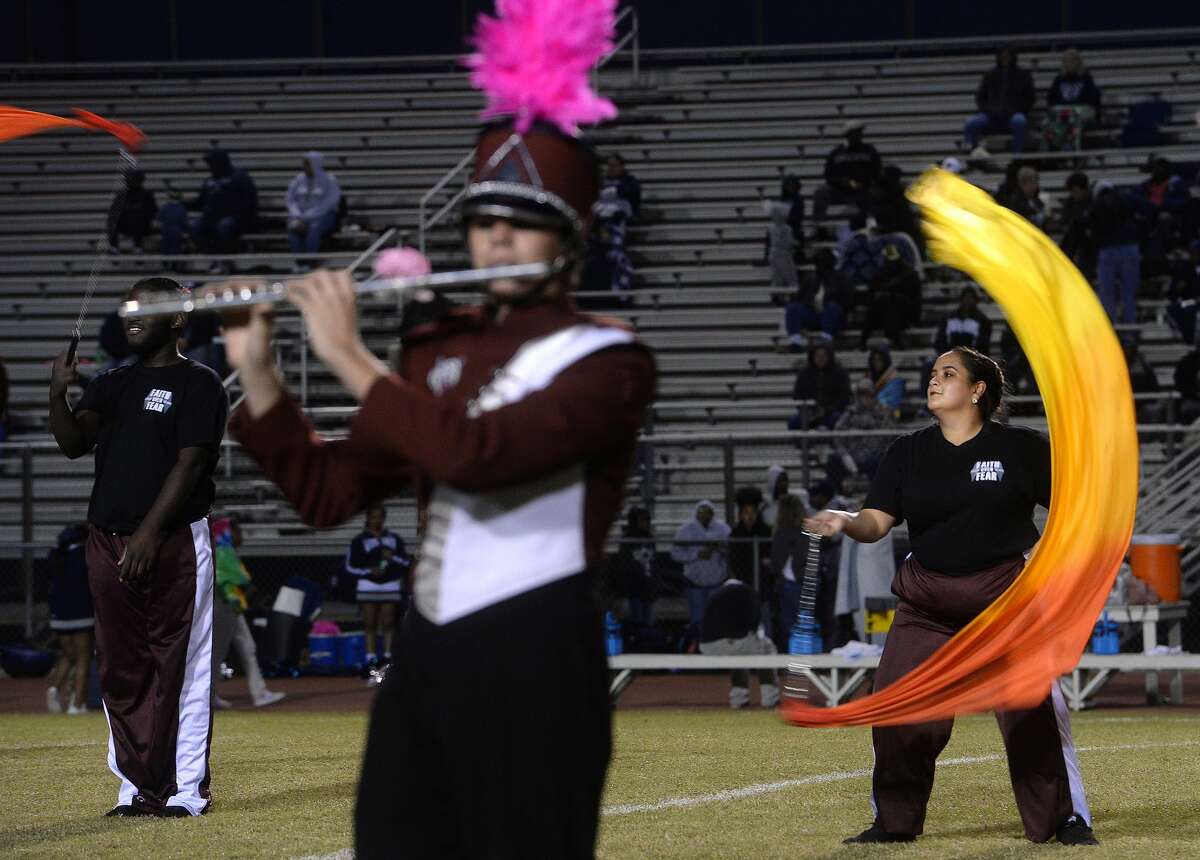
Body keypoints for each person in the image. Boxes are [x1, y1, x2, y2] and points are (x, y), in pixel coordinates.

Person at [221, 109, 656, 855]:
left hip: (539, 654)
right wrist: (258, 374)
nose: (497, 237)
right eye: (484, 218)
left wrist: (351, 358)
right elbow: (329, 494)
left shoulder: (608, 361)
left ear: (568, 245)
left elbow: (477, 456)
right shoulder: (435, 352)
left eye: (525, 222)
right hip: (427, 654)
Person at [804, 346, 1096, 846]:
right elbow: (876, 522)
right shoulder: (908, 451)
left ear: (978, 390)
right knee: (898, 710)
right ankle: (893, 823)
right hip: (926, 602)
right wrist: (844, 519)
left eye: (948, 373)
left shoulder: (1022, 448)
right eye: (933, 374)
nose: (933, 382)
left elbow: (1076, 510)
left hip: (1002, 601)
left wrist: (1053, 565)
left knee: (1033, 713)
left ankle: (1062, 820)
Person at [48, 276, 228, 817]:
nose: (131, 316)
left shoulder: (201, 384)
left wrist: (149, 532)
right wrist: (58, 392)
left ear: (177, 320)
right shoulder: (111, 382)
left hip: (171, 541)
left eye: (147, 309)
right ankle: (134, 789)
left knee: (183, 667)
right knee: (122, 668)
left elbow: (190, 461)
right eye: (128, 308)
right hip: (106, 540)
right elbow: (74, 443)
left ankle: (185, 790)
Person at [209, 516, 284, 710]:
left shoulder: (222, 550)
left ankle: (258, 693)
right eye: (237, 531)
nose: (240, 536)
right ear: (228, 532)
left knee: (246, 647)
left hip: (232, 606)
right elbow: (236, 579)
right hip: (223, 606)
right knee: (217, 653)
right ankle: (208, 698)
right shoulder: (223, 551)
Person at [344, 504, 412, 673]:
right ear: (368, 519)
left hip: (389, 585)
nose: (377, 520)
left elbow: (405, 562)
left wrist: (392, 557)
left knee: (388, 622)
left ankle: (388, 657)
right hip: (368, 585)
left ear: (384, 518)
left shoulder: (394, 539)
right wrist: (369, 570)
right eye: (373, 517)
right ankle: (371, 658)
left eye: (380, 517)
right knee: (370, 623)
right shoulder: (359, 540)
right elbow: (350, 566)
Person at [158, 149, 258, 264]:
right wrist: (181, 203)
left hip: (235, 217)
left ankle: (226, 262)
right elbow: (200, 202)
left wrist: (237, 215)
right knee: (195, 227)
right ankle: (214, 258)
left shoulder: (239, 177)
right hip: (211, 217)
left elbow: (250, 201)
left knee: (224, 225)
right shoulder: (209, 181)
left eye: (212, 162)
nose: (210, 165)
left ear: (221, 162)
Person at [699, 577, 780, 709]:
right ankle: (769, 699)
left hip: (707, 646)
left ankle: (739, 699)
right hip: (732, 642)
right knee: (767, 648)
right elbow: (754, 620)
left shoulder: (714, 595)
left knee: (740, 653)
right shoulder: (747, 592)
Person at [45, 523, 94, 715]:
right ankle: (77, 705)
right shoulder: (83, 553)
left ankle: (54, 688)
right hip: (81, 612)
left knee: (69, 655)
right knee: (83, 658)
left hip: (58, 613)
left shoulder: (56, 554)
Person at [672, 500, 731, 644]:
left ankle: (716, 647)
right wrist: (696, 555)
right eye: (701, 513)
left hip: (717, 581)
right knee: (698, 619)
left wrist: (719, 548)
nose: (705, 516)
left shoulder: (722, 529)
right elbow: (676, 554)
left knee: (716, 617)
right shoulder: (685, 530)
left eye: (708, 513)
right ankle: (698, 646)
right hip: (694, 582)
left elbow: (732, 550)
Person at [827, 377, 896, 492]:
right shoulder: (851, 412)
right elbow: (837, 433)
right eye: (861, 394)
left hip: (874, 456)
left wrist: (883, 451)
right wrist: (845, 455)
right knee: (833, 461)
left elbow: (890, 435)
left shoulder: (882, 412)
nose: (864, 398)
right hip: (852, 456)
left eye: (867, 394)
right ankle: (838, 495)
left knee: (881, 464)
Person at [964, 46, 1035, 156]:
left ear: (1013, 57)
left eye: (1007, 56)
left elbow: (1029, 99)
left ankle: (1017, 157)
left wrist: (1012, 111)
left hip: (1013, 115)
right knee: (971, 123)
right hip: (991, 116)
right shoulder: (989, 75)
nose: (1005, 58)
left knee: (1020, 121)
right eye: (1002, 55)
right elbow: (980, 99)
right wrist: (991, 111)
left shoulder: (1024, 75)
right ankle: (973, 155)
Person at [1088, 180, 1141, 325]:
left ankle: (1110, 325)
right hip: (1130, 246)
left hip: (1107, 249)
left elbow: (1093, 231)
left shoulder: (1096, 204)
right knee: (1128, 293)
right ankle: (1130, 329)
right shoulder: (1126, 198)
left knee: (1106, 292)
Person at [812, 121, 882, 224]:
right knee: (821, 192)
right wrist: (841, 181)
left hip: (864, 190)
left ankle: (875, 223)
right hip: (841, 191)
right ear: (848, 135)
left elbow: (878, 172)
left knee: (877, 193)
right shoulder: (836, 153)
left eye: (860, 132)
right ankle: (818, 224)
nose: (859, 135)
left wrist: (871, 185)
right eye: (856, 132)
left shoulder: (869, 151)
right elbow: (828, 176)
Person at [607, 506, 660, 633]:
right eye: (642, 520)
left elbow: (654, 562)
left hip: (649, 588)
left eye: (647, 520)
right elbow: (625, 565)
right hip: (635, 589)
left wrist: (655, 583)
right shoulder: (627, 539)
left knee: (649, 623)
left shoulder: (649, 538)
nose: (646, 523)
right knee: (637, 623)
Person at [783, 248, 850, 343]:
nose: (821, 264)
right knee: (792, 308)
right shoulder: (810, 277)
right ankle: (795, 342)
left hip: (832, 315)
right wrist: (810, 301)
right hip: (812, 313)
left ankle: (826, 338)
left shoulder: (841, 277)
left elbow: (847, 300)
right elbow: (799, 298)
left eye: (824, 261)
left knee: (833, 307)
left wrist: (828, 302)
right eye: (819, 261)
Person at [286, 150, 342, 264]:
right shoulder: (298, 180)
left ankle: (311, 262)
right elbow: (290, 199)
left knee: (314, 228)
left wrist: (308, 216)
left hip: (322, 216)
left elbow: (329, 202)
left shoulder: (329, 180)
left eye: (307, 163)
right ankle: (299, 262)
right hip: (299, 216)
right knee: (293, 229)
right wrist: (297, 214)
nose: (304, 166)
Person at [861, 244, 922, 347]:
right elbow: (871, 295)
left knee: (892, 301)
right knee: (883, 301)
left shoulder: (909, 274)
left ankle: (893, 338)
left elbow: (915, 300)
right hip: (881, 312)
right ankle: (864, 339)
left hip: (904, 313)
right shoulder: (879, 274)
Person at [1042, 49, 1101, 152]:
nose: (1070, 63)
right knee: (1047, 122)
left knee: (1073, 119)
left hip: (1081, 113)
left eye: (1073, 60)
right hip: (1062, 113)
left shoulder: (1086, 78)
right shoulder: (1058, 80)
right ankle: (1048, 154)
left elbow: (1093, 102)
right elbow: (1051, 101)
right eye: (1067, 60)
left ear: (1078, 62)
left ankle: (1072, 150)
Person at [791, 341, 852, 430]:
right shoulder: (804, 373)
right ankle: (803, 444)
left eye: (823, 356)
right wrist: (808, 411)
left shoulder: (840, 373)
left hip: (832, 412)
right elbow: (797, 395)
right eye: (817, 356)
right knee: (794, 422)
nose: (820, 358)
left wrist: (827, 410)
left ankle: (836, 443)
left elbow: (845, 396)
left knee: (838, 419)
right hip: (809, 413)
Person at [764, 175, 804, 288]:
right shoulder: (781, 202)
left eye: (792, 185)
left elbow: (797, 218)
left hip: (793, 231)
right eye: (788, 185)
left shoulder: (799, 201)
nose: (790, 188)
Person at [729, 493, 773, 597]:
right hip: (743, 578)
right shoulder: (735, 533)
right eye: (746, 513)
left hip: (764, 579)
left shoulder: (765, 531)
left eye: (753, 512)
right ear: (740, 515)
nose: (750, 516)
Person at [107, 169, 158, 253]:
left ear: (140, 181)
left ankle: (138, 247)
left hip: (143, 226)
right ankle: (114, 247)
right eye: (130, 180)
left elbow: (153, 211)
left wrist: (141, 214)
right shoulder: (121, 195)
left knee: (138, 217)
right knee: (112, 220)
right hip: (126, 225)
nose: (133, 183)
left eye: (135, 180)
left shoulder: (147, 195)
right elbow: (113, 211)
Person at [934, 286, 993, 357]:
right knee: (929, 364)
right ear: (961, 300)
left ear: (976, 301)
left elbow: (983, 346)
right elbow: (940, 341)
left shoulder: (983, 321)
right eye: (965, 298)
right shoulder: (949, 318)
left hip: (973, 359)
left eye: (971, 298)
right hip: (950, 357)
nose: (968, 300)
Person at [1058, 173, 1096, 281]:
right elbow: (1064, 221)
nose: (1073, 194)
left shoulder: (1093, 202)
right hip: (1073, 242)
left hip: (1089, 244)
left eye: (1075, 191)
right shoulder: (1070, 202)